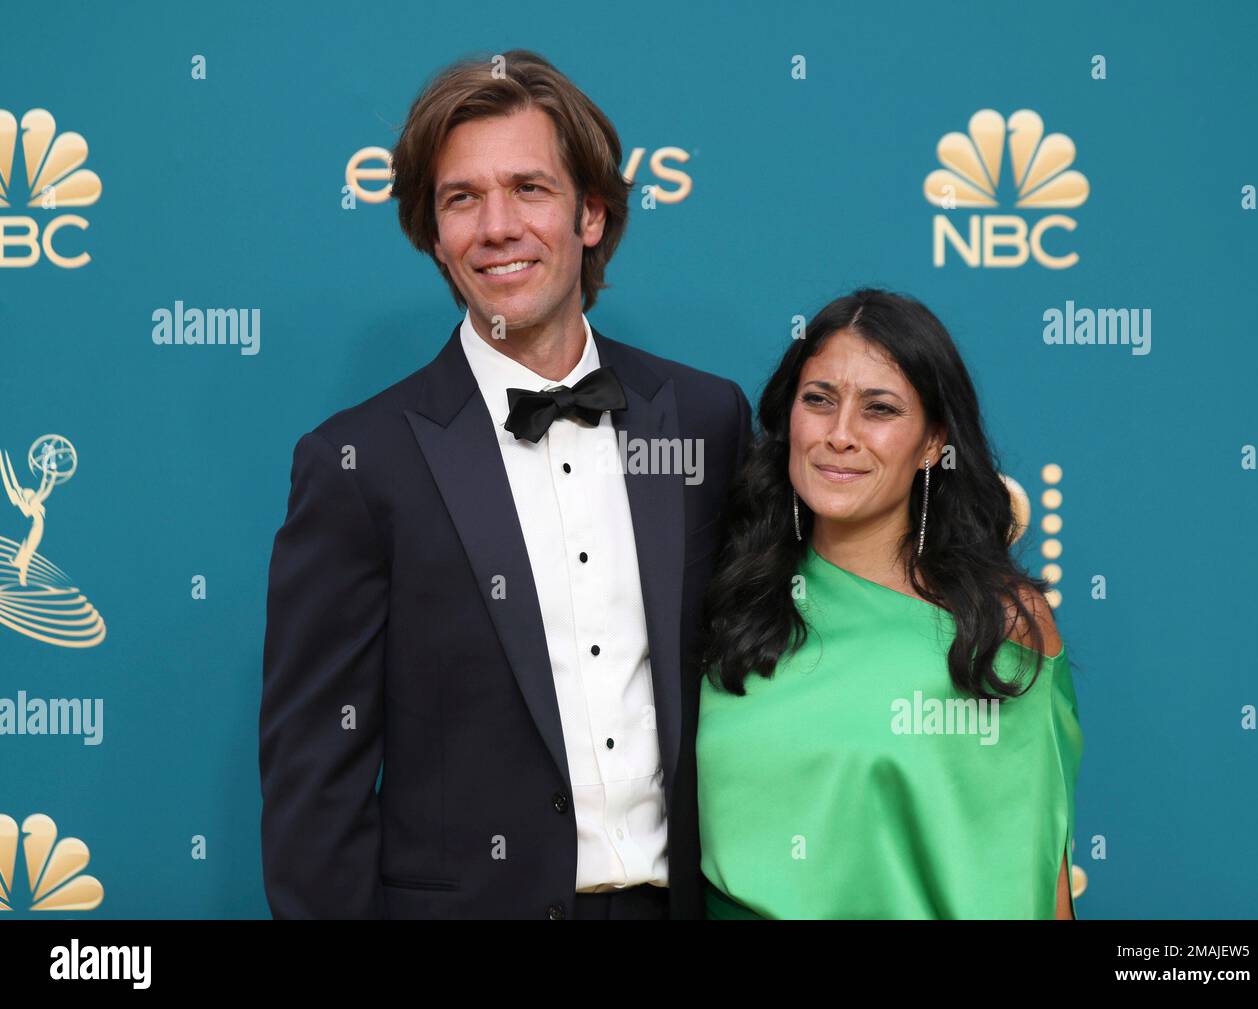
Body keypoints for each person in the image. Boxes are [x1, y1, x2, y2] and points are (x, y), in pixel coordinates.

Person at [258, 49, 750, 919]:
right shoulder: (359, 462)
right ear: (433, 233)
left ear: (590, 213)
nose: (497, 226)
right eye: (462, 198)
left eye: (529, 188)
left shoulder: (703, 420)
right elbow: (313, 780)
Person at [695, 288, 1083, 919]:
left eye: (879, 409)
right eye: (818, 401)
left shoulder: (995, 624)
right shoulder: (732, 597)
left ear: (933, 442)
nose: (839, 435)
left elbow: (1037, 883)